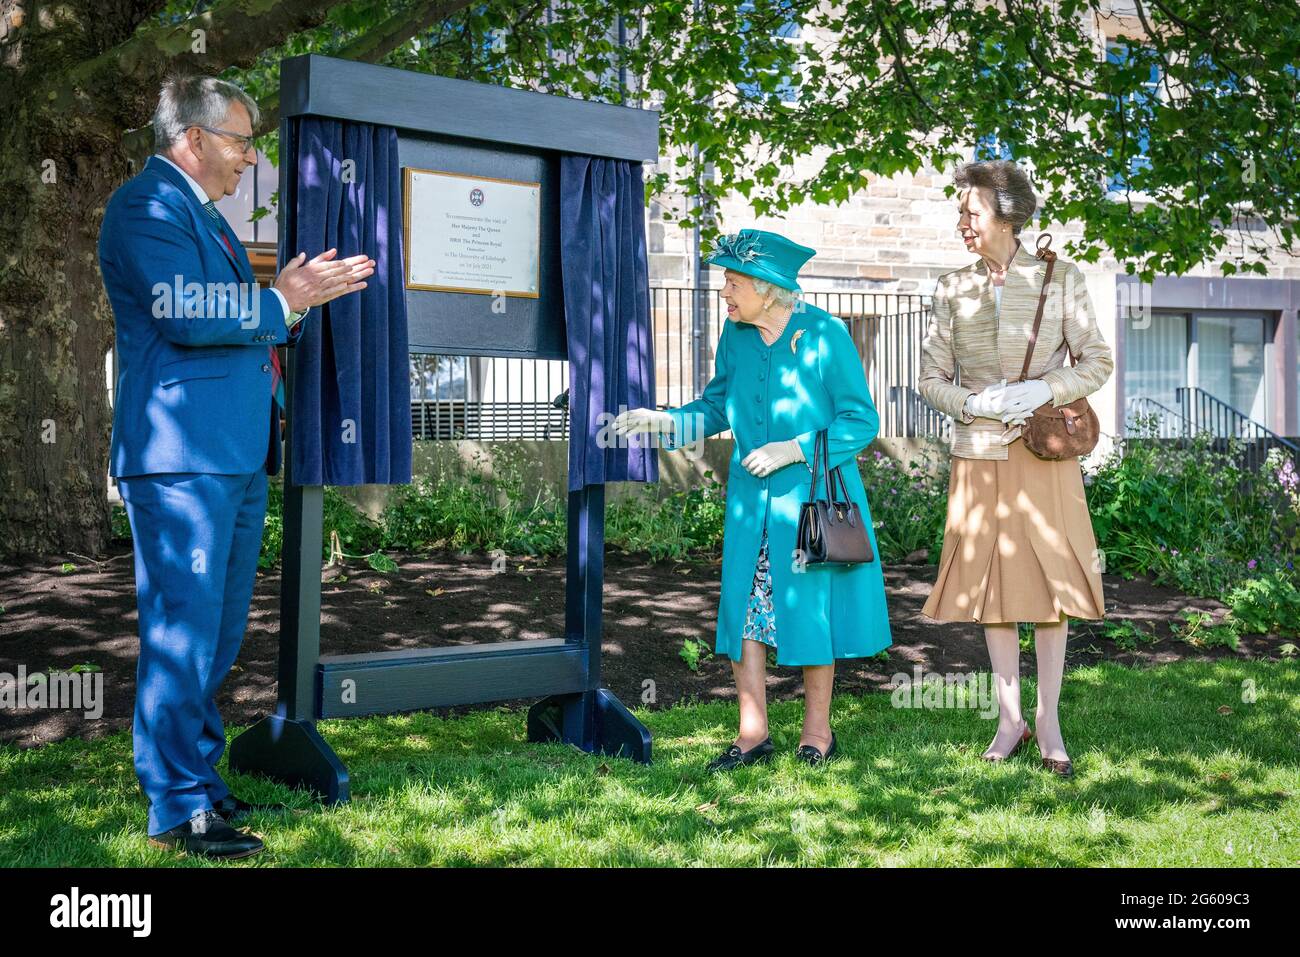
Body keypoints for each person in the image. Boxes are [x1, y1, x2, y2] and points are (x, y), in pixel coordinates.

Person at [100, 74, 375, 857]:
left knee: (217, 634)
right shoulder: (144, 205)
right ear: (191, 138)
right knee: (182, 633)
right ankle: (177, 807)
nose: (250, 158)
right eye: (241, 140)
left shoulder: (203, 214)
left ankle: (204, 786)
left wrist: (283, 304)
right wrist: (281, 302)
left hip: (230, 454)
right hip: (181, 457)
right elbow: (184, 311)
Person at [613, 228, 892, 771]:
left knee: (812, 613)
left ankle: (817, 733)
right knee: (745, 612)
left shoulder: (824, 335)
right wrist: (665, 421)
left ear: (768, 287)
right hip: (750, 504)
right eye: (725, 281)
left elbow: (860, 420)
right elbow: (718, 406)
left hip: (810, 499)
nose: (724, 292)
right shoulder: (736, 336)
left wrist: (794, 447)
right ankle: (752, 734)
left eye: (733, 282)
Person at [918, 160, 1114, 777]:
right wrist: (971, 402)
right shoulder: (952, 287)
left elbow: (1097, 361)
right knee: (994, 592)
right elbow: (928, 380)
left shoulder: (1062, 280)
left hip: (1042, 455)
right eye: (961, 213)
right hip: (978, 456)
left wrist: (1044, 391)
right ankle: (1010, 720)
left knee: (1051, 589)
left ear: (1008, 216)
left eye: (970, 212)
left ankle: (1049, 720)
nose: (961, 223)